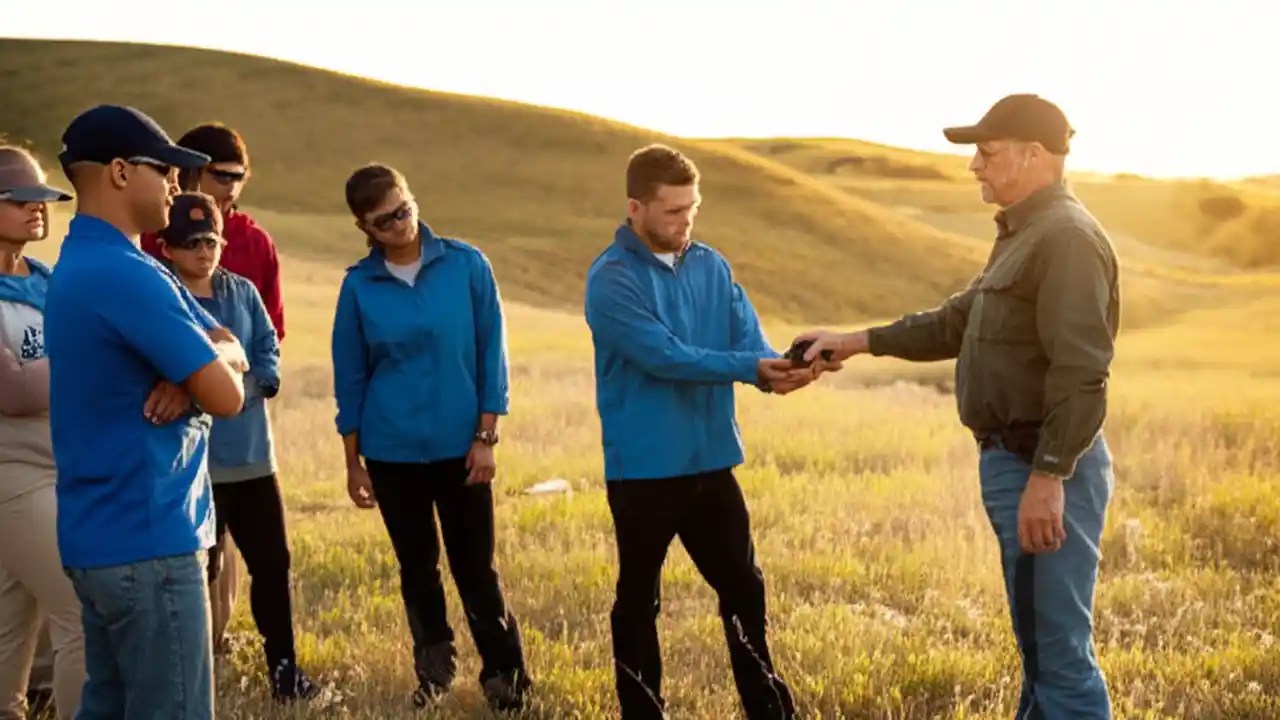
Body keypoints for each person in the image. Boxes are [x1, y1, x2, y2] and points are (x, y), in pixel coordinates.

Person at [796, 94, 1120, 720]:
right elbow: (956, 322)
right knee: (1041, 656)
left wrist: (1049, 477)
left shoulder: (1066, 239)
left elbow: (1082, 372)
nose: (974, 165)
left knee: (1060, 662)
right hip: (1019, 463)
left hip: (1041, 464)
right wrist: (855, 341)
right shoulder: (1024, 234)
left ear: (1034, 157)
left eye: (987, 152)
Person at [583, 143, 830, 720]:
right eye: (672, 211)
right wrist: (750, 369)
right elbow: (665, 357)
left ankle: (769, 710)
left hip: (713, 459)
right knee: (639, 601)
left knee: (745, 587)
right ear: (635, 207)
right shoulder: (610, 279)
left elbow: (746, 343)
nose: (685, 221)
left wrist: (785, 370)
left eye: (692, 208)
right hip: (644, 468)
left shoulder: (712, 265)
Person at [44, 104, 251, 719]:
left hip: (98, 536)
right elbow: (231, 394)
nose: (176, 186)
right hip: (149, 538)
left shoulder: (84, 263)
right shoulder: (129, 276)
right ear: (118, 172)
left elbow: (229, 344)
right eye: (164, 169)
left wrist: (190, 378)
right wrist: (204, 375)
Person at [330, 163, 531, 711]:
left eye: (404, 208)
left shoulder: (467, 266)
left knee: (476, 568)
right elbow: (350, 380)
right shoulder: (358, 287)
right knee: (417, 567)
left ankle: (505, 676)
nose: (401, 223)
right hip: (391, 452)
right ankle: (435, 672)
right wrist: (354, 464)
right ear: (365, 228)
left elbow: (493, 352)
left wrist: (487, 435)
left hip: (462, 448)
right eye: (385, 220)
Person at [156, 191, 317, 702]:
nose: (204, 252)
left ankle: (286, 672)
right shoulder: (160, 297)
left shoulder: (243, 292)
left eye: (211, 241)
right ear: (167, 248)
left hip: (251, 459)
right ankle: (192, 675)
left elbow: (267, 350)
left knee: (272, 565)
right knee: (194, 574)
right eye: (191, 243)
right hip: (191, 466)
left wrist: (251, 386)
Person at [140, 123, 285, 648]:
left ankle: (269, 661)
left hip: (243, 432)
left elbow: (269, 342)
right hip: (183, 444)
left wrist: (233, 386)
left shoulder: (254, 252)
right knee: (198, 560)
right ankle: (203, 652)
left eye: (239, 177)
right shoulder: (154, 257)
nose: (232, 186)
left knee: (264, 558)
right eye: (222, 175)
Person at [0, 146, 86, 719]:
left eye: (44, 198)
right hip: (11, 475)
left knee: (9, 626)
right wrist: (88, 362)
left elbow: (29, 380)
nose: (39, 208)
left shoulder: (52, 282)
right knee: (84, 613)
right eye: (20, 198)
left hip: (59, 468)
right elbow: (12, 393)